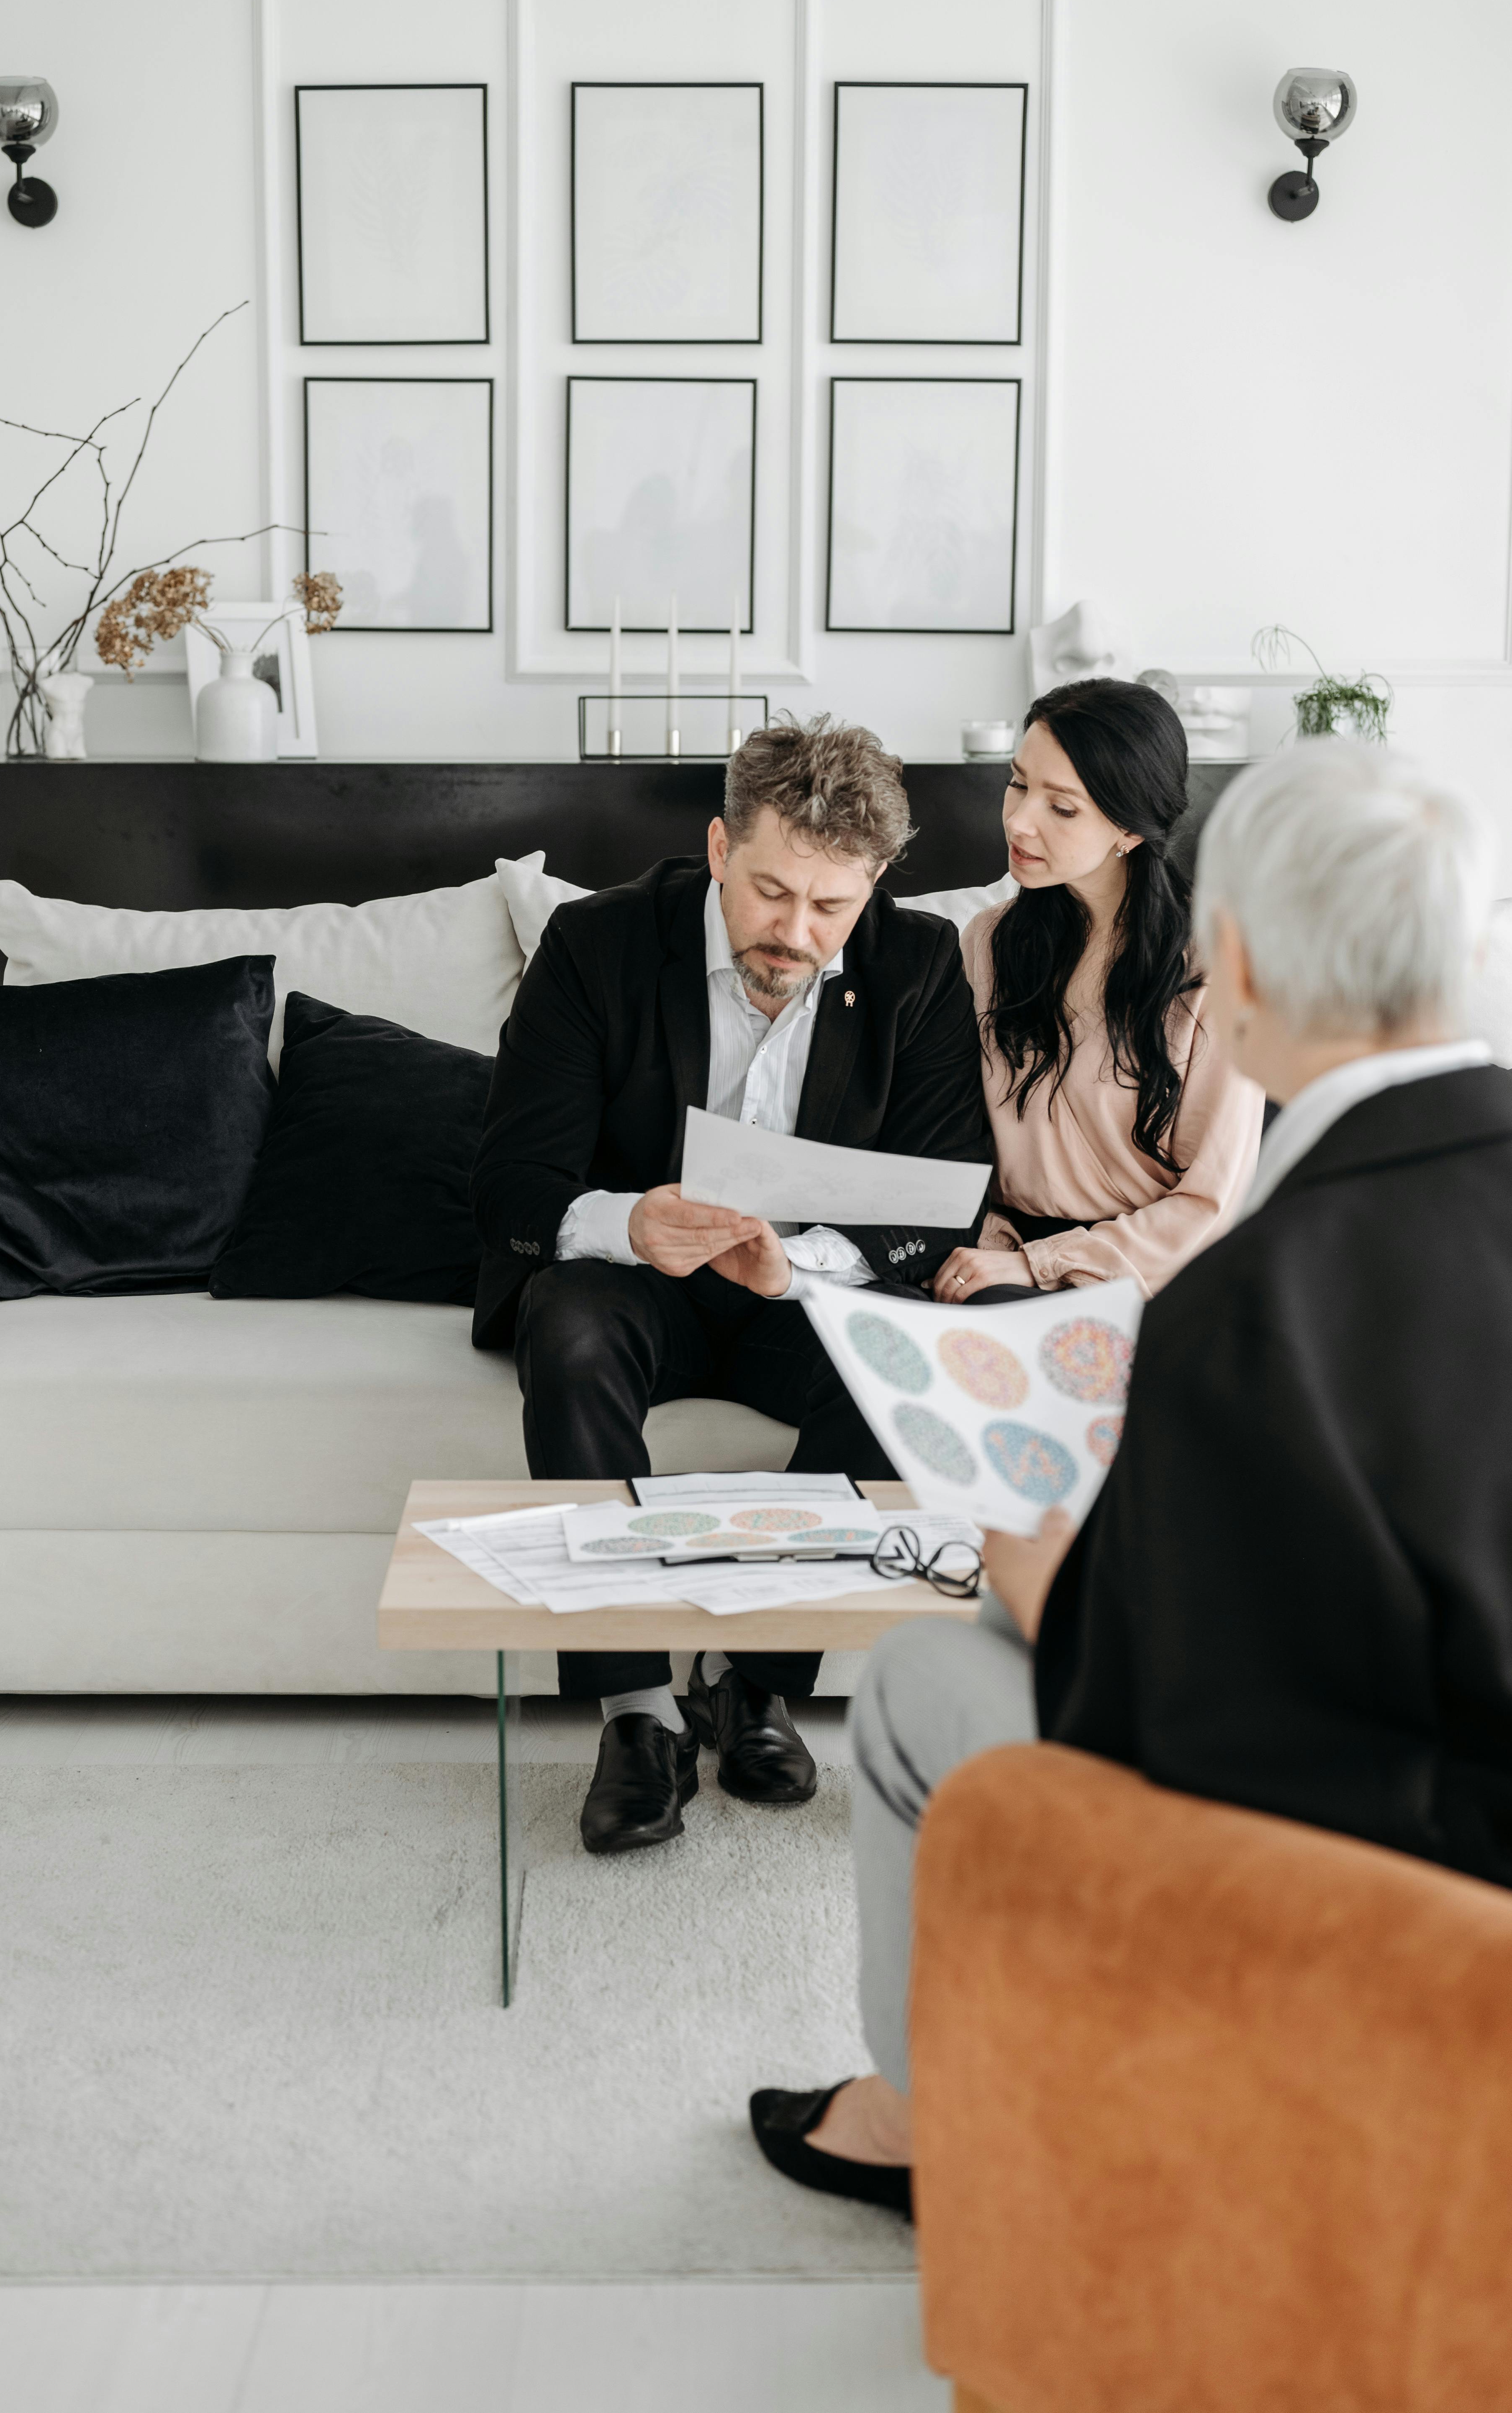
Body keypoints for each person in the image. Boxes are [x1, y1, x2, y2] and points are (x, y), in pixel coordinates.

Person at [747, 745, 1511, 2214]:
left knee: (923, 1668)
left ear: (1226, 955)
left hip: (1399, 1882)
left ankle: (928, 2116)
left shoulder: (1252, 1298)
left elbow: (1168, 1698)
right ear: (1469, 944)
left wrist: (1030, 1552)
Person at [471, 719, 991, 1856]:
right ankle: (638, 1713)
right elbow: (512, 1183)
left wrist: (797, 1264)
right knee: (564, 1330)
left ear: (872, 890)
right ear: (716, 847)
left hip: (793, 1291)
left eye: (829, 909)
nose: (794, 934)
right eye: (769, 893)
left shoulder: (915, 964)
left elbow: (940, 1191)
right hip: (632, 1284)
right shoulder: (594, 943)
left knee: (905, 1355)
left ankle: (755, 1684)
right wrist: (628, 1221)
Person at [935, 676, 1263, 1309]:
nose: (1019, 822)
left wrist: (1045, 1265)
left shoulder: (1214, 971)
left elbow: (1208, 1206)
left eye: (1061, 807)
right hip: (990, 1261)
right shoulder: (986, 943)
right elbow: (954, 1139)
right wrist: (996, 1251)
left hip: (1141, 1275)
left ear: (1129, 830)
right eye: (1017, 783)